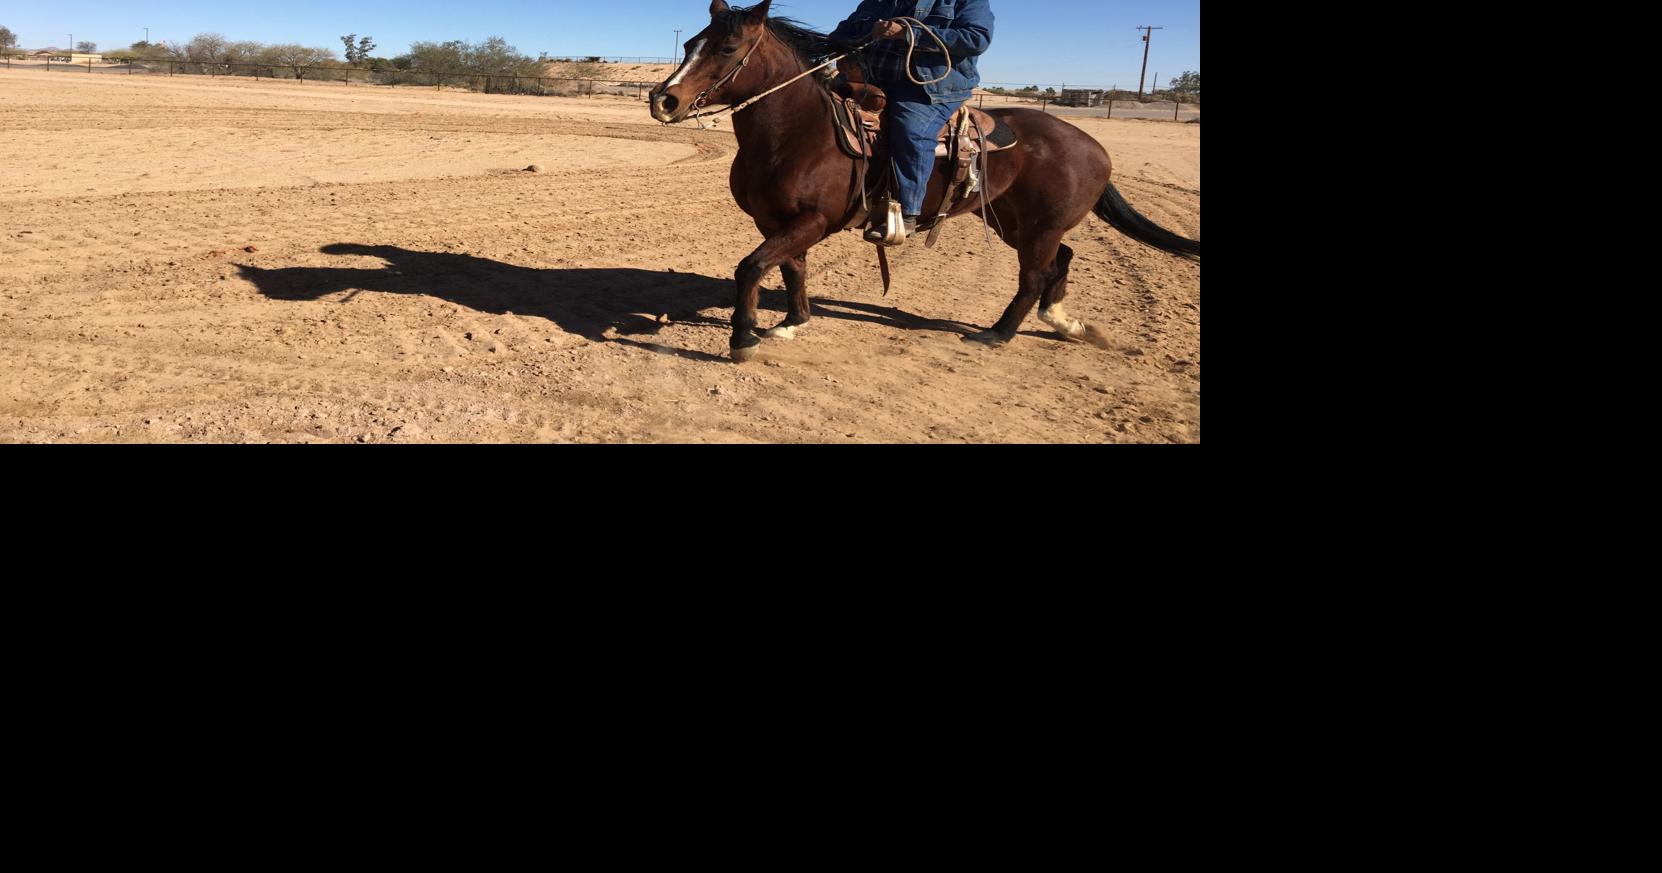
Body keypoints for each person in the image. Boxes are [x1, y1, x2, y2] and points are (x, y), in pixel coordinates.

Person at [830, 1, 995, 246]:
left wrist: (908, 34)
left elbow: (976, 39)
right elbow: (843, 31)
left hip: (925, 87)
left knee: (912, 131)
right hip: (868, 79)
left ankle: (906, 211)